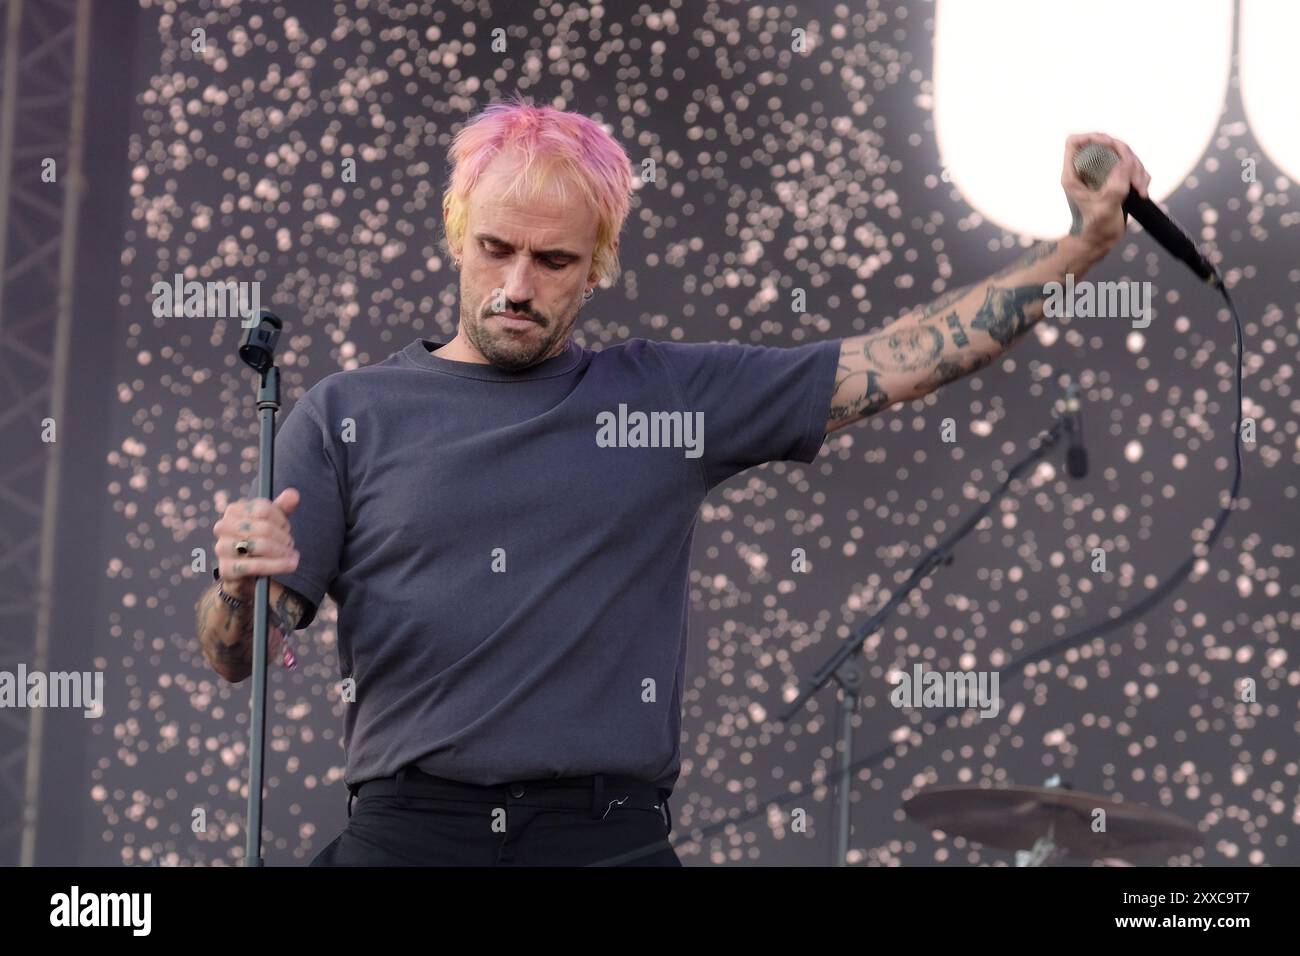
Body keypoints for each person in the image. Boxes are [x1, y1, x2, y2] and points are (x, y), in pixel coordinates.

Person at [195, 94, 1149, 866]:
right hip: (409, 833)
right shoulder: (345, 412)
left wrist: (1080, 250)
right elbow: (238, 655)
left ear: (599, 261)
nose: (518, 284)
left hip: (607, 837)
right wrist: (238, 589)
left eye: (553, 258)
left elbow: (899, 359)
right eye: (496, 249)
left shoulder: (667, 395)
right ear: (456, 234)